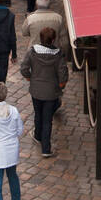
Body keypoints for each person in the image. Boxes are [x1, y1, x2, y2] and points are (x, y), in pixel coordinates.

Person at [20, 27, 68, 157]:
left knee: (38, 114)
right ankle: (46, 149)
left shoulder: (32, 52)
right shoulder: (58, 55)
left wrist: (30, 78)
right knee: (47, 119)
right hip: (51, 92)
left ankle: (38, 136)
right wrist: (61, 85)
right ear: (53, 40)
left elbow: (24, 68)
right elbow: (63, 74)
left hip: (36, 90)